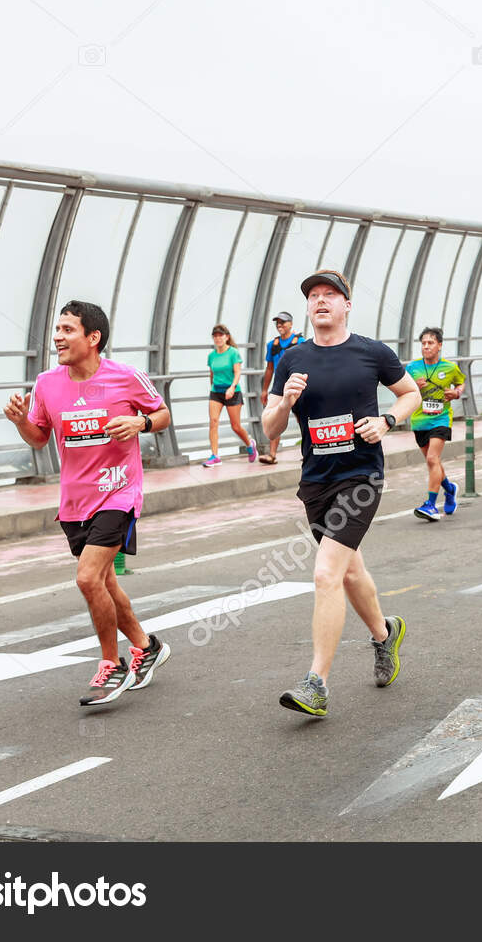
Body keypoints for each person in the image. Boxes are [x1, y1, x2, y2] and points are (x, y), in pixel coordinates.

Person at [4, 300, 173, 706]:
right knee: (104, 581)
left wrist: (140, 422)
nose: (57, 337)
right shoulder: (46, 383)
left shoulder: (127, 377)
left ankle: (111, 665)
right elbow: (40, 438)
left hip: (119, 491)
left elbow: (163, 414)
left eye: (67, 330)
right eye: (57, 329)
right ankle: (147, 646)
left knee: (86, 578)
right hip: (75, 501)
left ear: (93, 338)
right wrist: (20, 421)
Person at [266, 269, 419, 718]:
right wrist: (286, 403)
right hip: (315, 481)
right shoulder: (291, 359)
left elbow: (409, 392)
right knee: (350, 572)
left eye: (330, 294)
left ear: (347, 305)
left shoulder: (372, 353)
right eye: (313, 295)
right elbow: (269, 430)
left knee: (325, 574)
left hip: (360, 478)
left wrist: (388, 421)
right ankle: (384, 634)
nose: (321, 301)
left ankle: (316, 683)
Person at [406, 327, 467, 521]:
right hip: (419, 420)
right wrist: (414, 386)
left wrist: (456, 393)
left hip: (441, 419)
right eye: (423, 343)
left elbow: (461, 382)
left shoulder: (449, 367)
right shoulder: (412, 368)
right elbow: (402, 389)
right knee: (433, 462)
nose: (426, 347)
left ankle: (431, 505)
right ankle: (450, 489)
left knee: (433, 459)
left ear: (439, 345)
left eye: (430, 343)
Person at [204, 324, 256, 467]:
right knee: (213, 422)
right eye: (215, 336)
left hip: (232, 392)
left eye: (220, 335)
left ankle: (249, 444)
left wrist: (232, 387)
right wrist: (212, 387)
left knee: (236, 426)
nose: (218, 338)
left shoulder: (233, 353)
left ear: (226, 337)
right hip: (216, 392)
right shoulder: (212, 355)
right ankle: (214, 455)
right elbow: (212, 373)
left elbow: (238, 372)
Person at [259, 312, 303, 464]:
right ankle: (272, 455)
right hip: (279, 389)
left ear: (291, 324)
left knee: (301, 419)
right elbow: (269, 368)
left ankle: (308, 451)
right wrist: (265, 390)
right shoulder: (273, 345)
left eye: (283, 322)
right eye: (277, 323)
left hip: (298, 386)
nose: (280, 325)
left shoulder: (300, 342)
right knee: (275, 417)